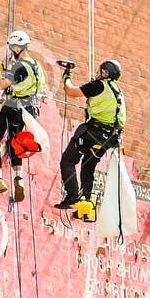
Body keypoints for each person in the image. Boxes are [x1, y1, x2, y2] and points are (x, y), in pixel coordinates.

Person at [0, 30, 46, 202]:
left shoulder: (19, 66)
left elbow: (1, 85)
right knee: (15, 144)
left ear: (16, 47)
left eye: (11, 47)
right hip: (28, 109)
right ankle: (19, 178)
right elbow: (26, 83)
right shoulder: (36, 66)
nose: (10, 50)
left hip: (13, 106)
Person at [55, 59, 126, 218]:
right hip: (110, 138)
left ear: (105, 73)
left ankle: (72, 195)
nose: (96, 73)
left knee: (68, 160)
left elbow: (71, 91)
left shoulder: (100, 85)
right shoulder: (117, 91)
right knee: (88, 167)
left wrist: (66, 75)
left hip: (94, 131)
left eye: (99, 71)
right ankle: (86, 206)